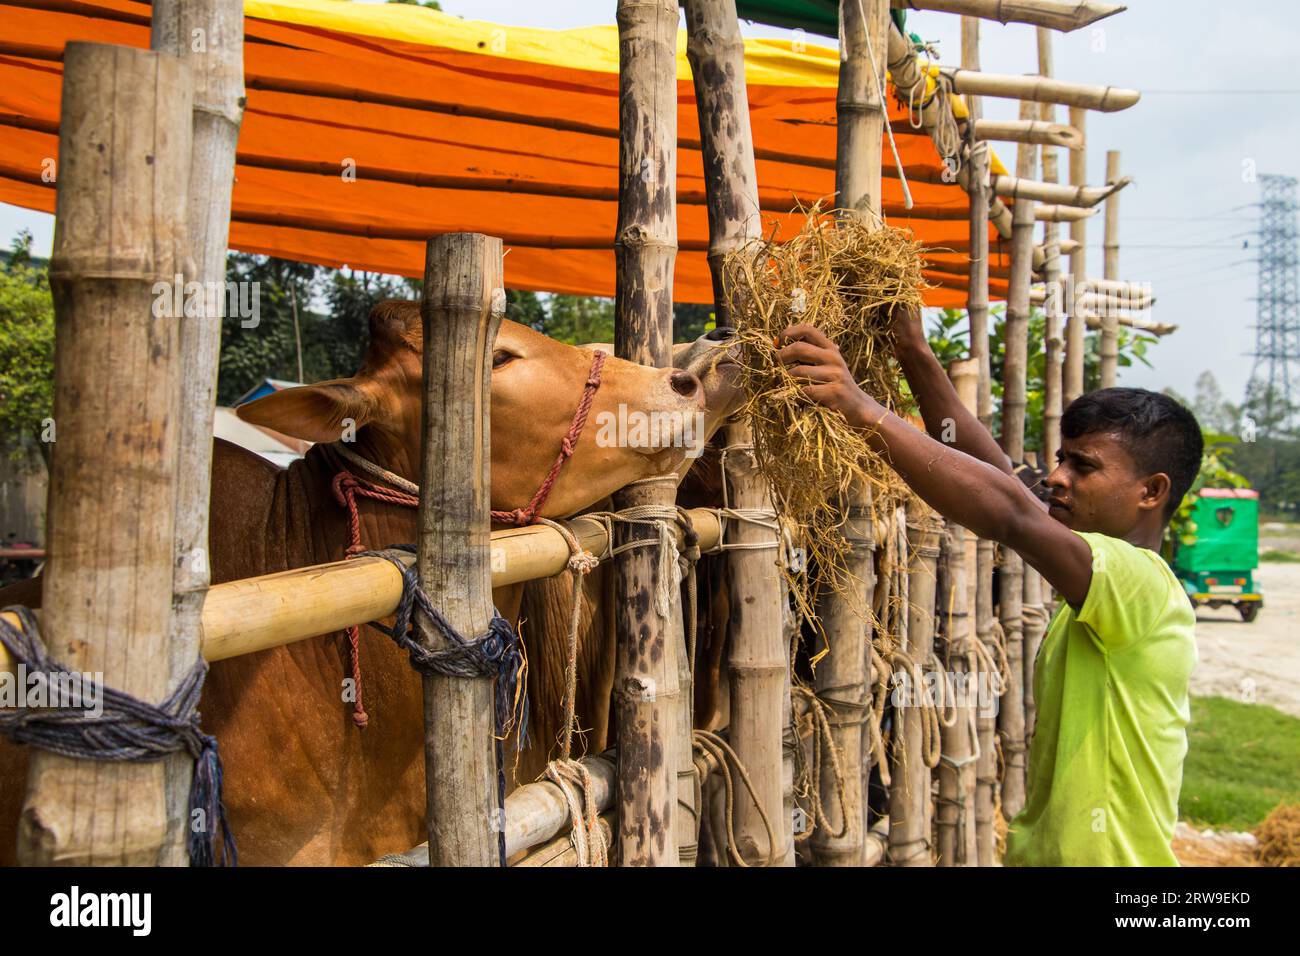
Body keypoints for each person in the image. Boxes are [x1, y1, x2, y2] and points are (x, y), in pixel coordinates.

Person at [779, 303, 1201, 866]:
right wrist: (913, 352)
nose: (1057, 477)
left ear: (1152, 492)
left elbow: (1009, 513)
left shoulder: (1142, 582)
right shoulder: (1100, 572)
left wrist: (861, 409)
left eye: (1084, 466)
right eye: (1060, 460)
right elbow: (999, 474)